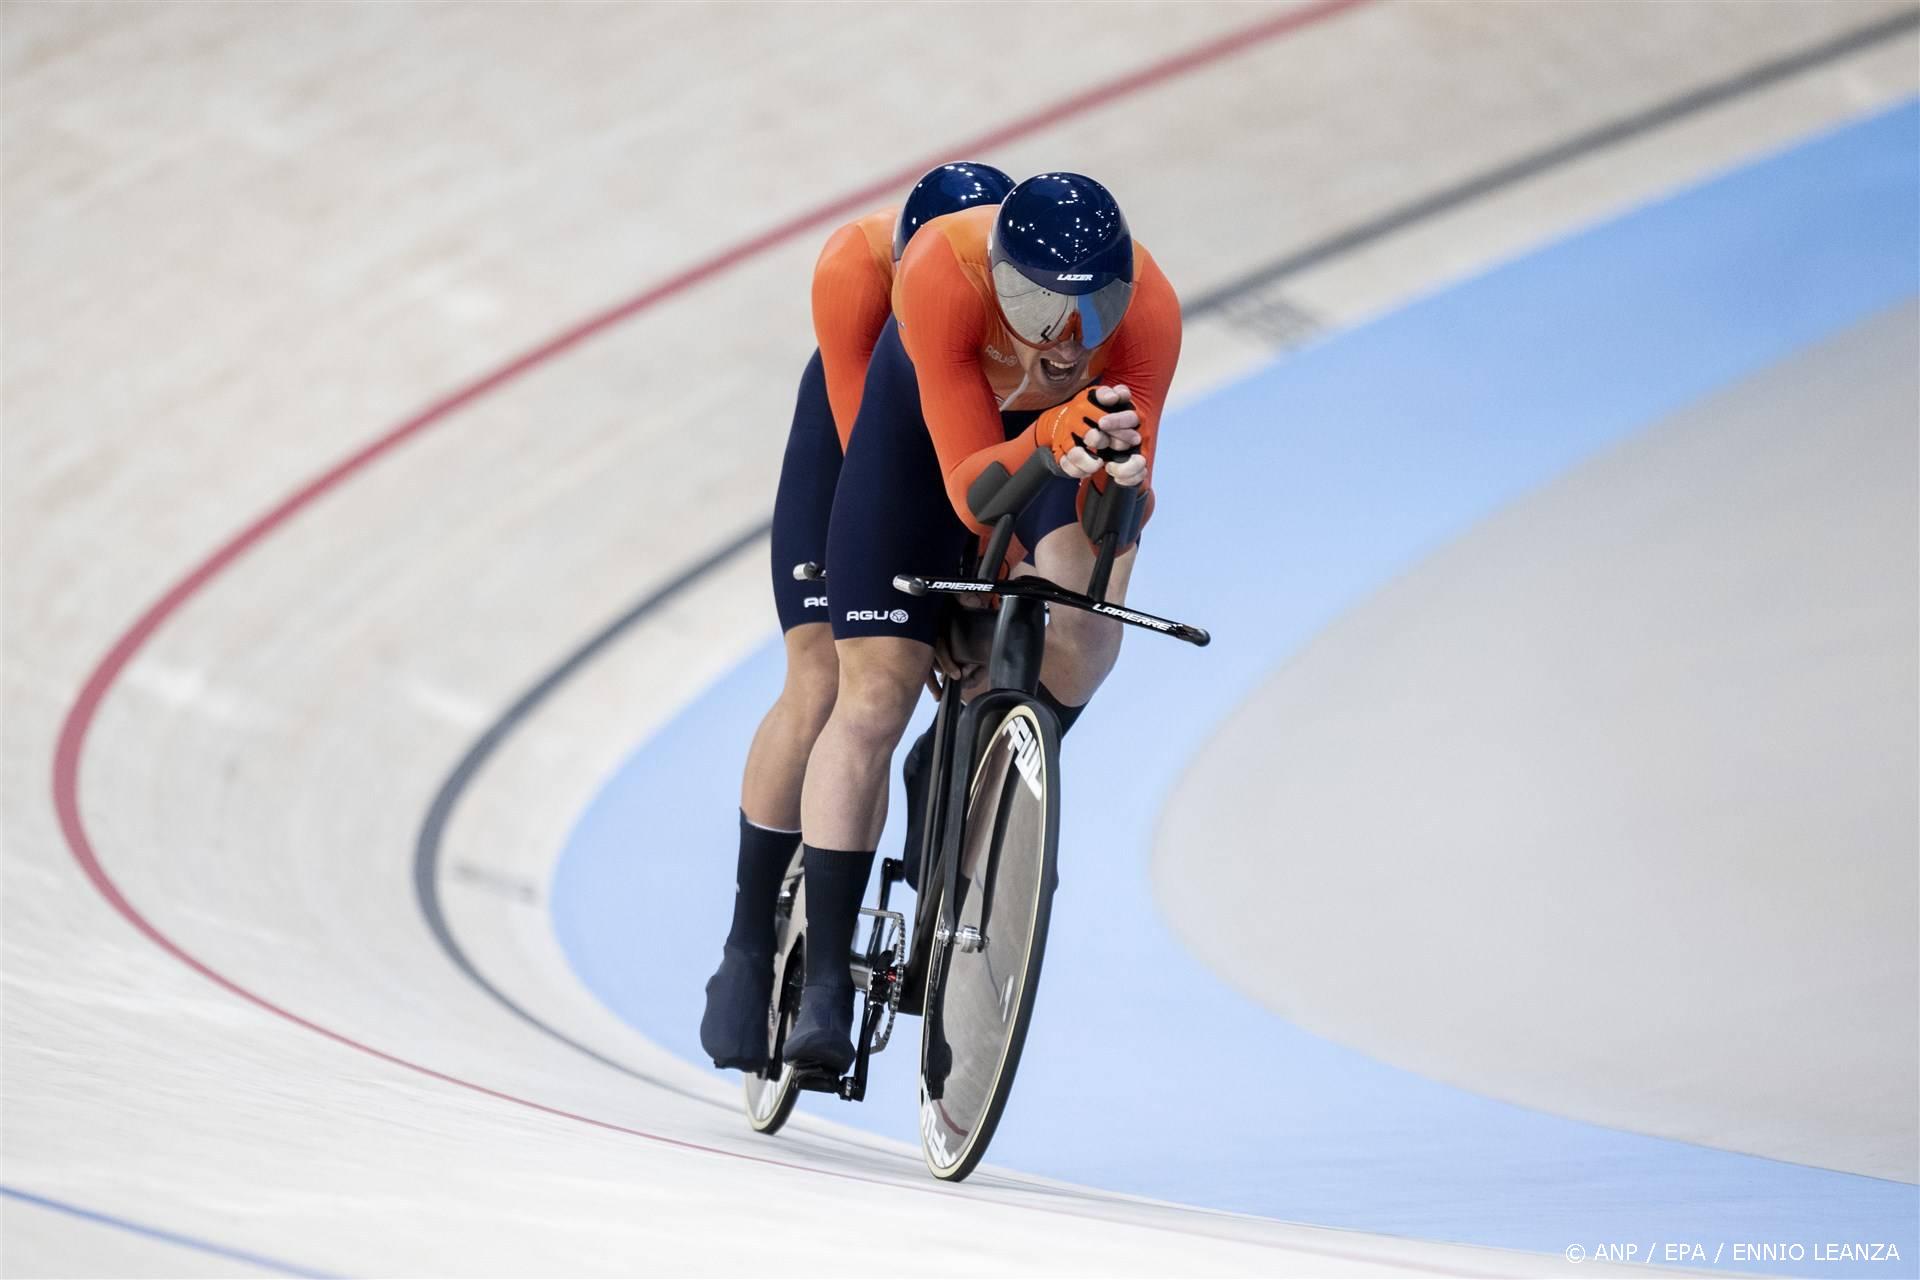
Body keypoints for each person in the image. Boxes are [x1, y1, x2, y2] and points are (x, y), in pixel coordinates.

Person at [780, 172, 1183, 1071]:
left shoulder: (1151, 311)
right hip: (928, 445)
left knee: (1091, 622)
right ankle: (823, 986)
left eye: (1097, 308)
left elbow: (1126, 517)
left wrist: (1120, 480)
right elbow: (969, 495)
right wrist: (1048, 438)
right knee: (874, 698)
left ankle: (993, 756)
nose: (1073, 337)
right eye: (1043, 307)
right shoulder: (939, 271)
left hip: (1052, 443)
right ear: (1001, 281)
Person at [700, 162, 1015, 1071]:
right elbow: (863, 455)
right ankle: (747, 945)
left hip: (961, 432)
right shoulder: (856, 269)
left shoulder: (1000, 297)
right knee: (827, 674)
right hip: (857, 441)